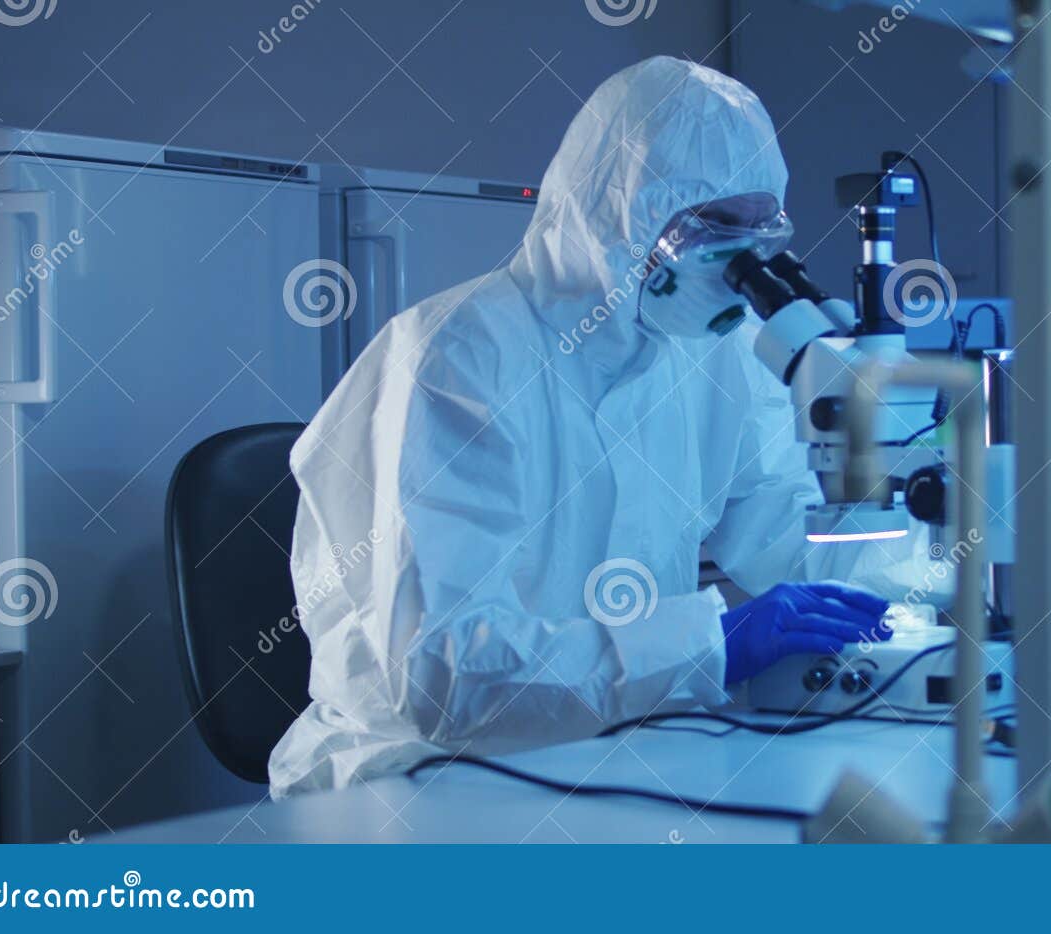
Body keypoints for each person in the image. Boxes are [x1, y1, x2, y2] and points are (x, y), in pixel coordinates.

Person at [268, 56, 928, 797]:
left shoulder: (718, 355)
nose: (734, 267)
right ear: (617, 214)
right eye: (712, 229)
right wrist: (707, 643)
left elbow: (795, 539)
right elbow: (441, 676)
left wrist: (932, 590)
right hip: (423, 778)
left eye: (753, 236)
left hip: (626, 754)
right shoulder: (456, 359)